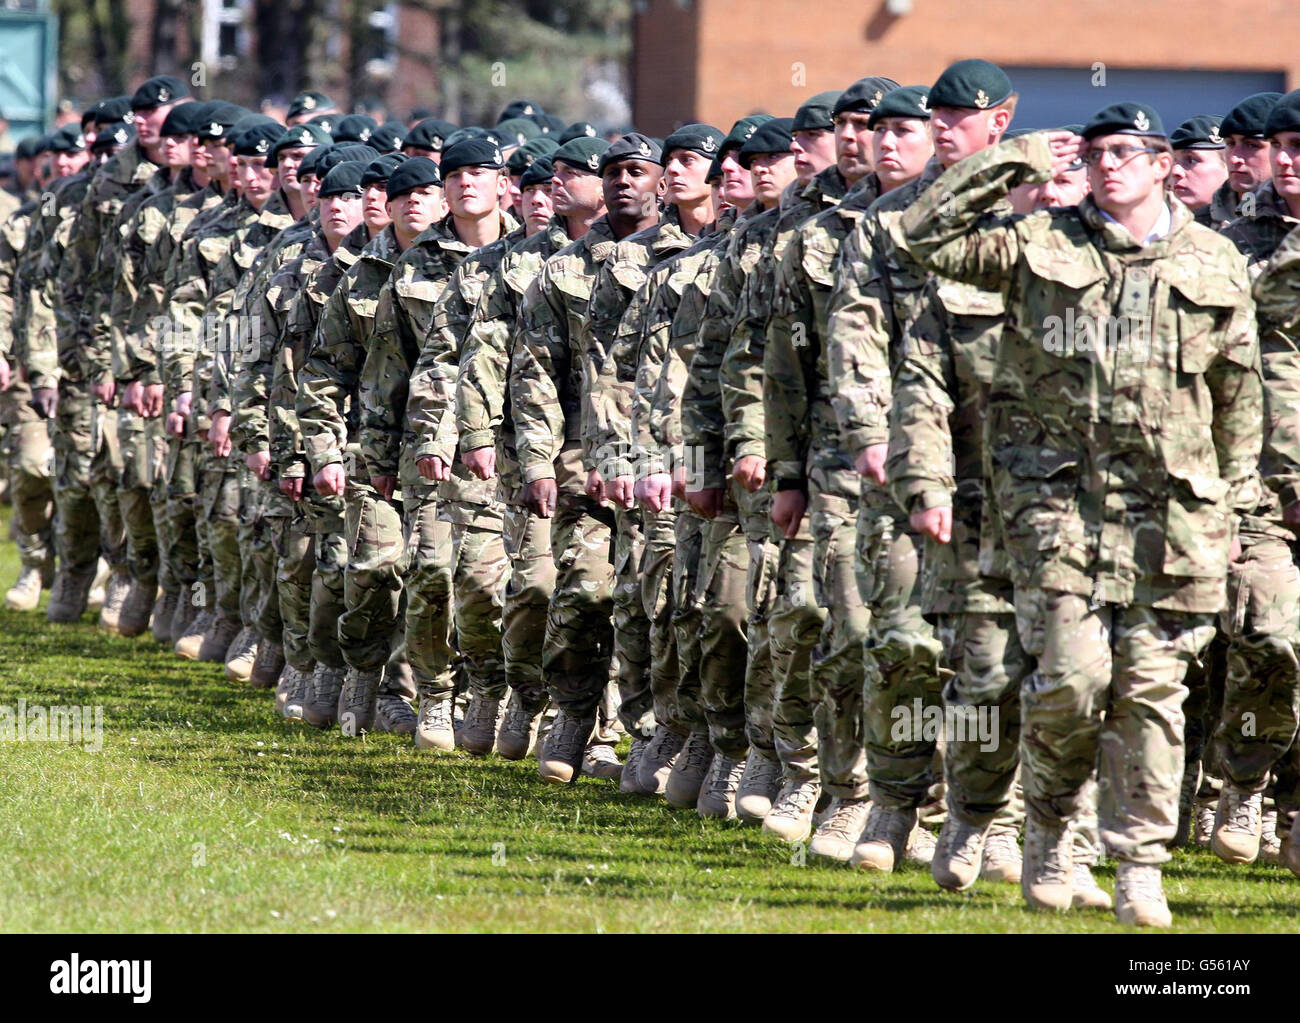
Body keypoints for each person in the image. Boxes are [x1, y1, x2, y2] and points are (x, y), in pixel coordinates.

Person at [901, 102, 1262, 926]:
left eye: (1125, 152)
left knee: (1150, 692)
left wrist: (1235, 504)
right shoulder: (1041, 243)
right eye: (1094, 153)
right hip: (1055, 506)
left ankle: (1138, 862)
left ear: (1165, 162)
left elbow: (1239, 393)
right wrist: (1019, 158)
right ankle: (1049, 829)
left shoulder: (1215, 260)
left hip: (1173, 513)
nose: (1106, 165)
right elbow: (924, 233)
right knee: (1070, 682)